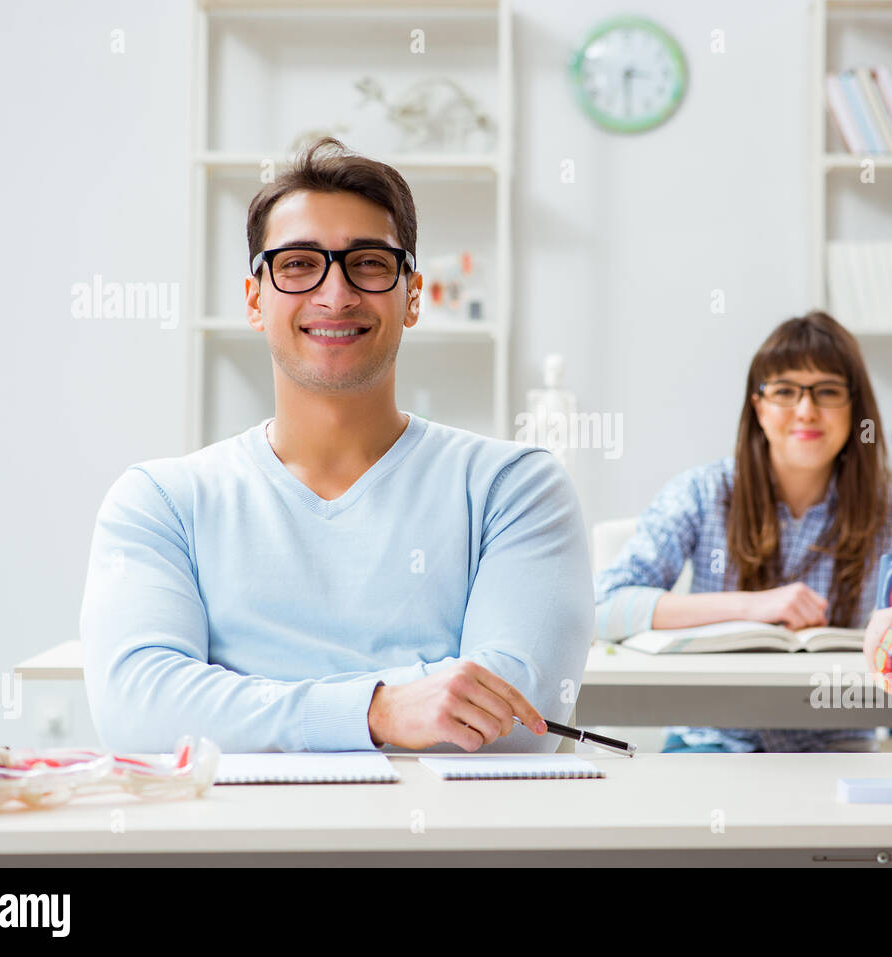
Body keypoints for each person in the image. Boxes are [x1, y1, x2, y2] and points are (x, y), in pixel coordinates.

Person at [81, 138, 593, 755]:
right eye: (298, 264)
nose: (335, 294)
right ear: (254, 299)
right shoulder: (162, 500)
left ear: (411, 296)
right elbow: (137, 715)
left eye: (370, 263)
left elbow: (517, 725)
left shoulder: (512, 487)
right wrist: (378, 711)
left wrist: (234, 706)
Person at [594, 311, 892, 753]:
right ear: (758, 407)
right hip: (713, 740)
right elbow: (603, 604)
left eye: (828, 392)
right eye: (784, 392)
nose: (806, 411)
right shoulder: (701, 494)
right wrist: (754, 606)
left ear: (855, 408)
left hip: (837, 748)